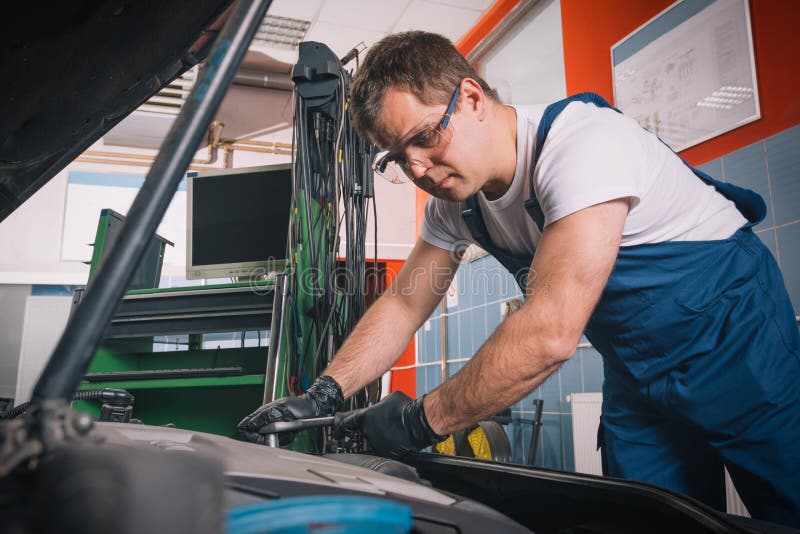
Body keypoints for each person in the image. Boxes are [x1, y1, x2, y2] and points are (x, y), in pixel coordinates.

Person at [239, 31, 800, 526]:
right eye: (396, 156)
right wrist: (323, 392)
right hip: (638, 371)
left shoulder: (581, 145)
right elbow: (404, 305)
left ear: (474, 99)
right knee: (644, 517)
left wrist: (419, 421)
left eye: (424, 137)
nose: (416, 169)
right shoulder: (455, 206)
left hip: (737, 345)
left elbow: (551, 331)